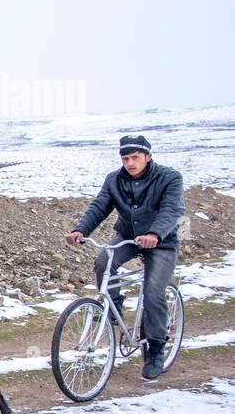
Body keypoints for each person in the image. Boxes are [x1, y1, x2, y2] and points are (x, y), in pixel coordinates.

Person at [65, 134, 185, 381]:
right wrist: (81, 229)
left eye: (135, 157)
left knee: (153, 292)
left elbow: (172, 210)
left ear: (148, 157)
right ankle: (114, 306)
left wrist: (155, 233)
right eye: (125, 158)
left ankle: (155, 349)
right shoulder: (114, 179)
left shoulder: (170, 178)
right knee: (102, 263)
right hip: (128, 236)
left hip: (161, 242)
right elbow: (100, 206)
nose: (130, 163)